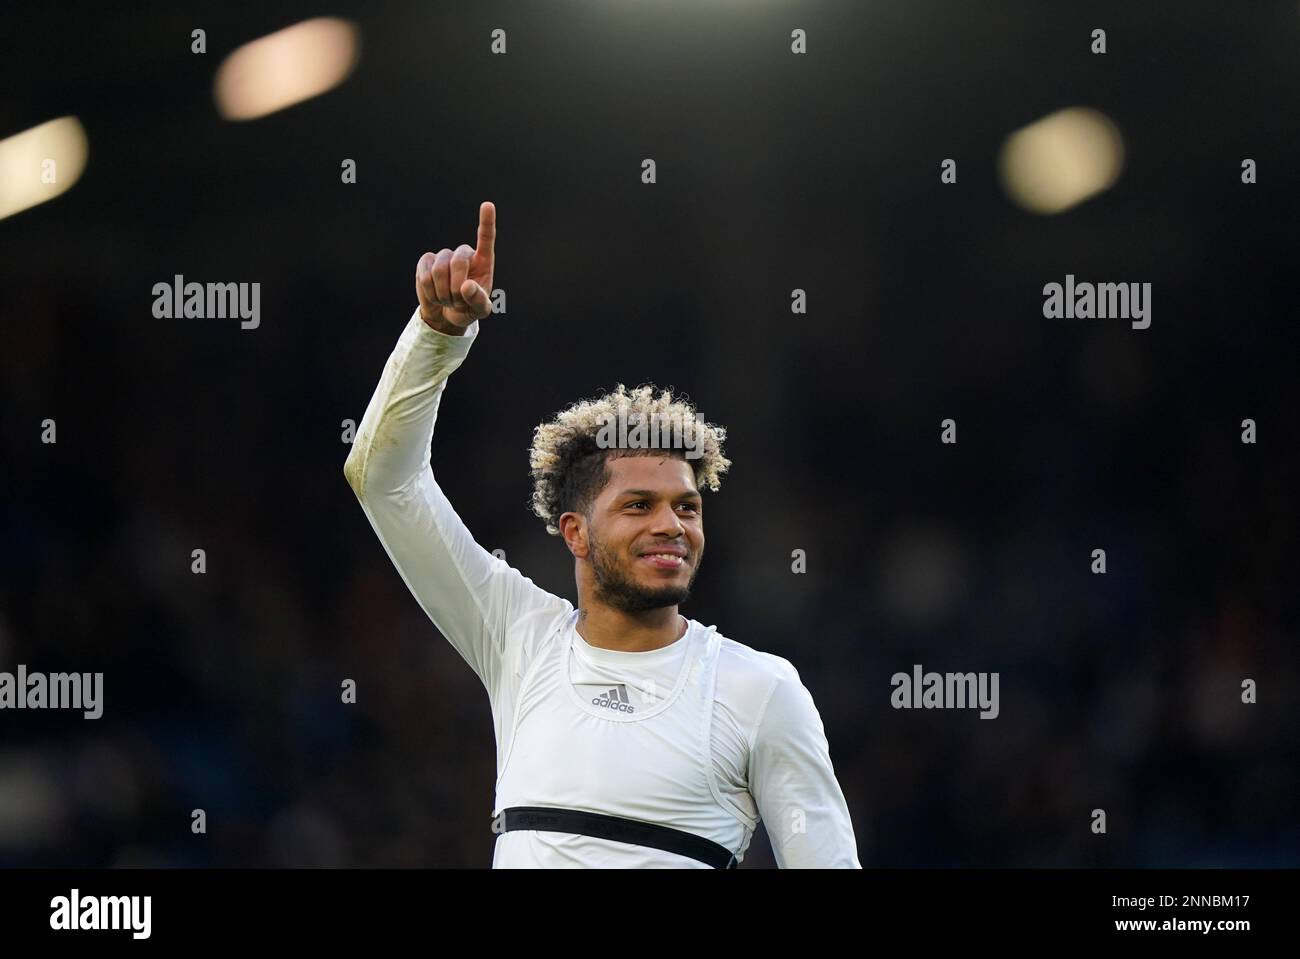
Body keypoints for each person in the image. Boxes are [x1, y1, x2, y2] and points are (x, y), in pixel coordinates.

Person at [344, 201, 860, 868]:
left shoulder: (760, 690)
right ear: (575, 532)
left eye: (687, 506)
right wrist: (435, 338)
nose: (671, 523)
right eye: (639, 504)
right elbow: (384, 481)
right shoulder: (517, 638)